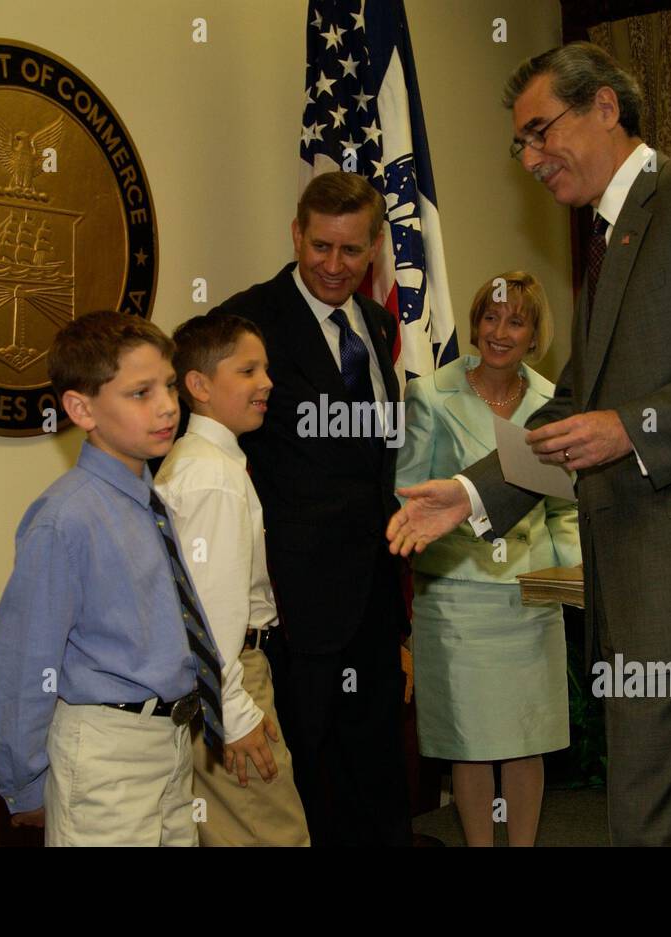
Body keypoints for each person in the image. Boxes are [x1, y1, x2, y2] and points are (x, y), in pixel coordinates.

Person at [387, 42, 671, 846]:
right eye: (518, 145)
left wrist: (636, 425)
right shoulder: (610, 238)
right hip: (652, 591)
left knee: (654, 819)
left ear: (604, 109)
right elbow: (572, 419)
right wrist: (471, 493)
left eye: (539, 131)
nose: (529, 158)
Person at [208, 171, 412, 846]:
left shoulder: (378, 322)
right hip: (292, 610)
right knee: (304, 789)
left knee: (377, 779)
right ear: (297, 234)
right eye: (320, 246)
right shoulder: (245, 323)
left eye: (351, 251)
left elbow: (374, 462)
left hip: (376, 598)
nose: (333, 265)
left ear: (375, 247)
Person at [0, 311, 224, 846]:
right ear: (81, 408)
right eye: (140, 393)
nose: (167, 405)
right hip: (106, 753)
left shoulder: (149, 499)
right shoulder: (65, 517)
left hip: (171, 741)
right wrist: (23, 785)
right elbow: (23, 665)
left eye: (167, 385)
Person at [396, 271, 580, 847]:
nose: (501, 331)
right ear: (475, 324)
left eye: (516, 321)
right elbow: (410, 497)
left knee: (528, 737)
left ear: (534, 334)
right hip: (458, 597)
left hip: (532, 597)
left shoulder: (555, 404)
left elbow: (564, 509)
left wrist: (568, 577)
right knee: (469, 743)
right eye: (491, 318)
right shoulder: (429, 394)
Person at [154, 313, 311, 846]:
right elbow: (206, 611)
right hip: (229, 677)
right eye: (247, 370)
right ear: (198, 385)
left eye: (264, 369)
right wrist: (236, 712)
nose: (266, 382)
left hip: (222, 679)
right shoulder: (213, 476)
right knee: (272, 833)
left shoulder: (204, 462)